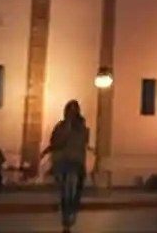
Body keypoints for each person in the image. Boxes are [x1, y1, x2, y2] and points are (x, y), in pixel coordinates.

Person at [40, 100, 90, 233]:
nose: (72, 114)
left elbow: (83, 146)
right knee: (65, 191)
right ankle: (66, 218)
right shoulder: (61, 127)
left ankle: (70, 214)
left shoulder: (82, 128)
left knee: (73, 192)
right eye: (70, 111)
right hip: (63, 163)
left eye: (75, 111)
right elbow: (55, 142)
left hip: (76, 164)